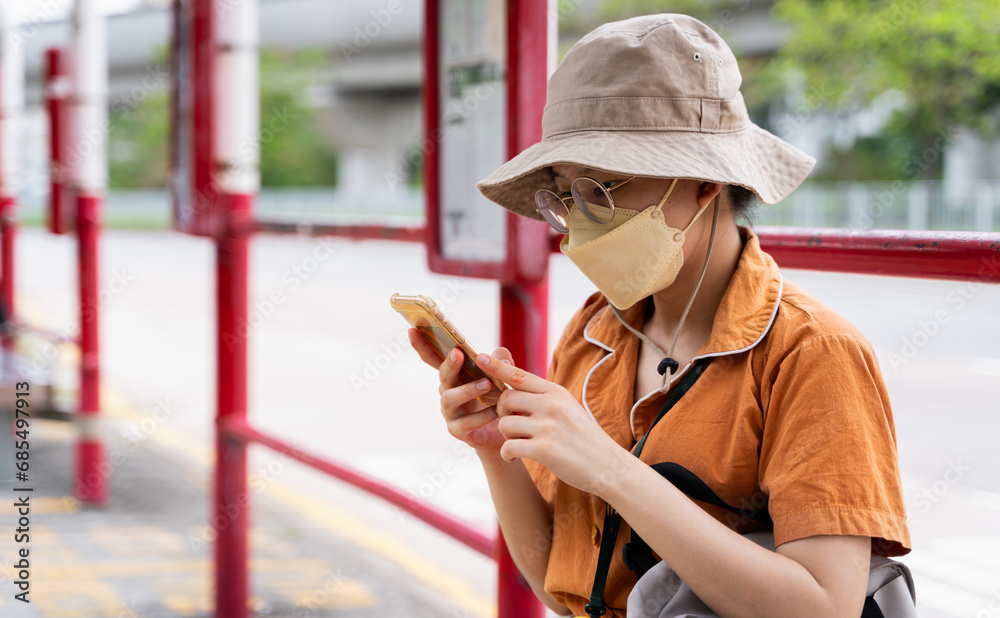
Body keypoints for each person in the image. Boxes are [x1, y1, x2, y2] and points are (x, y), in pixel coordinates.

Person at [407, 13, 910, 618]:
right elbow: (562, 586)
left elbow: (824, 607)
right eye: (564, 195)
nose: (580, 223)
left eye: (602, 190)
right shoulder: (593, 333)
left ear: (704, 181)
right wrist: (494, 447)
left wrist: (609, 469)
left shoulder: (811, 352)